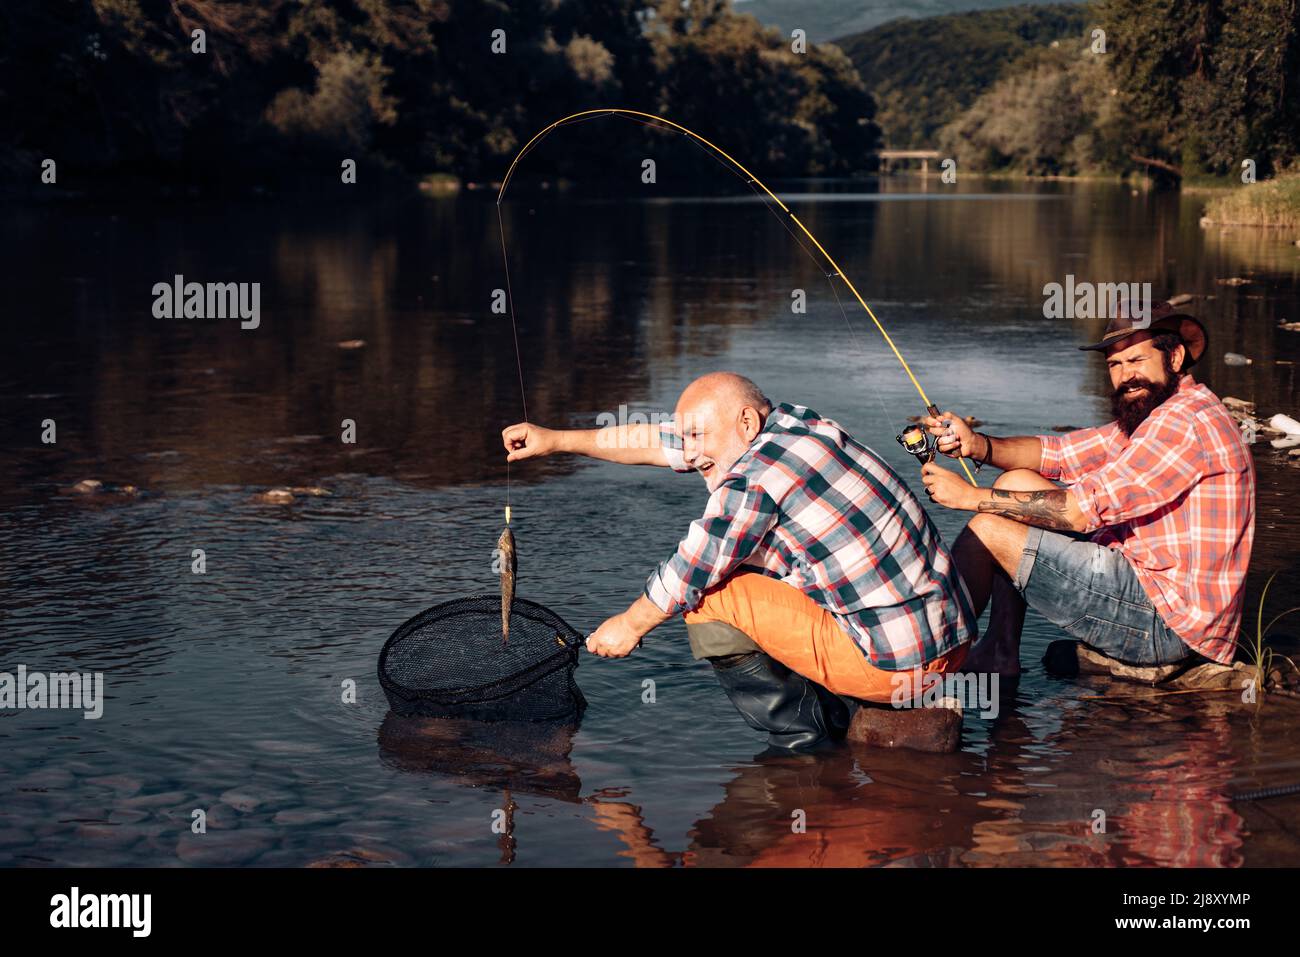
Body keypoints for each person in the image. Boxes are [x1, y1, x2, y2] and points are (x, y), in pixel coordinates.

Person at [502, 372, 977, 750]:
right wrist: (555, 440)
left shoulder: (753, 481)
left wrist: (629, 624)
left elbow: (690, 568)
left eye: (696, 437)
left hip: (900, 667)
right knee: (748, 566)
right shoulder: (800, 424)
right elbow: (656, 440)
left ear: (747, 423)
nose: (687, 452)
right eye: (684, 437)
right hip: (950, 639)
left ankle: (808, 741)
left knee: (706, 598)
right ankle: (846, 708)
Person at [918, 301, 1255, 676]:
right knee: (1015, 484)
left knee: (988, 527)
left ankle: (923, 660)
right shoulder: (1159, 413)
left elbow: (1078, 512)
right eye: (1115, 364)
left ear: (1174, 357)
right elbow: (1060, 452)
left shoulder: (1183, 423)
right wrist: (979, 445)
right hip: (1147, 590)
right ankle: (999, 652)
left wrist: (969, 497)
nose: (1126, 376)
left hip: (1170, 625)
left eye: (1136, 360)